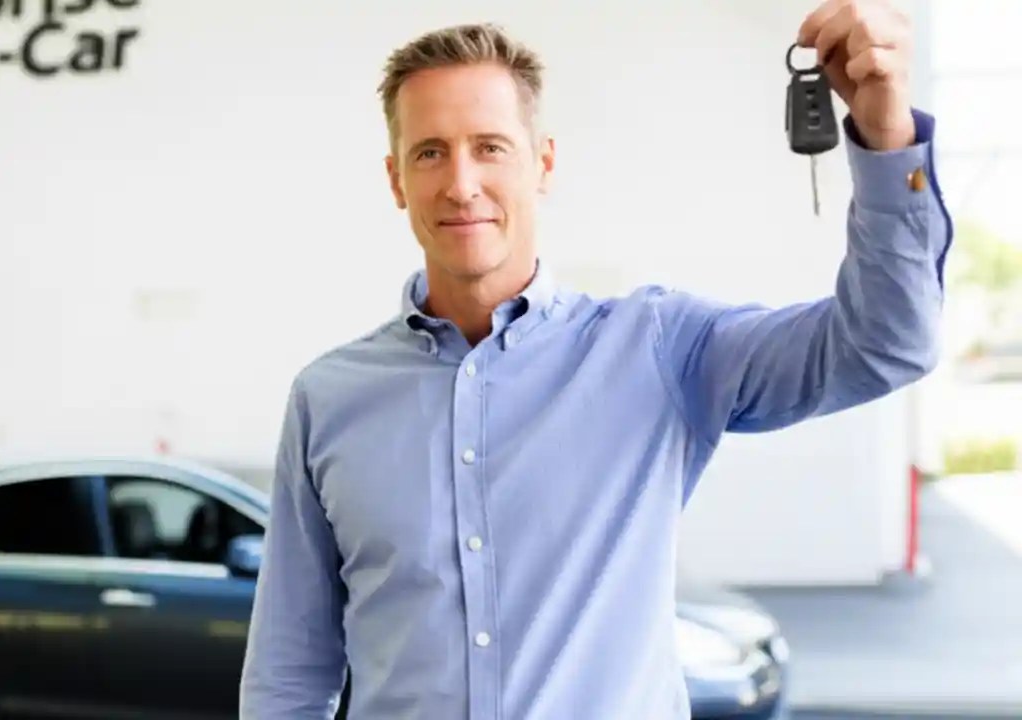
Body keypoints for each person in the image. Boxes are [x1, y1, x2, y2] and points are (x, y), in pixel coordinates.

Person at [239, 1, 952, 717]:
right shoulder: (328, 399)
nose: (461, 184)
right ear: (396, 179)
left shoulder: (660, 350)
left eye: (490, 147)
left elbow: (885, 344)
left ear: (542, 163)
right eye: (430, 152)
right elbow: (288, 672)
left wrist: (886, 138)